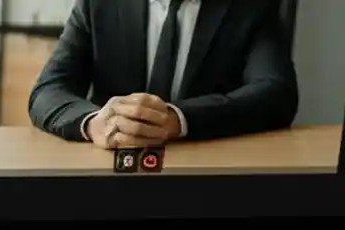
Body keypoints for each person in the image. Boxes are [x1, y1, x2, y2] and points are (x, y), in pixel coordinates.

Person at [28, 0, 299, 149]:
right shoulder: (98, 4)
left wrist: (176, 119)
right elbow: (47, 91)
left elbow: (276, 92)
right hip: (109, 172)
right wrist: (93, 123)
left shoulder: (252, 7)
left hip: (208, 178)